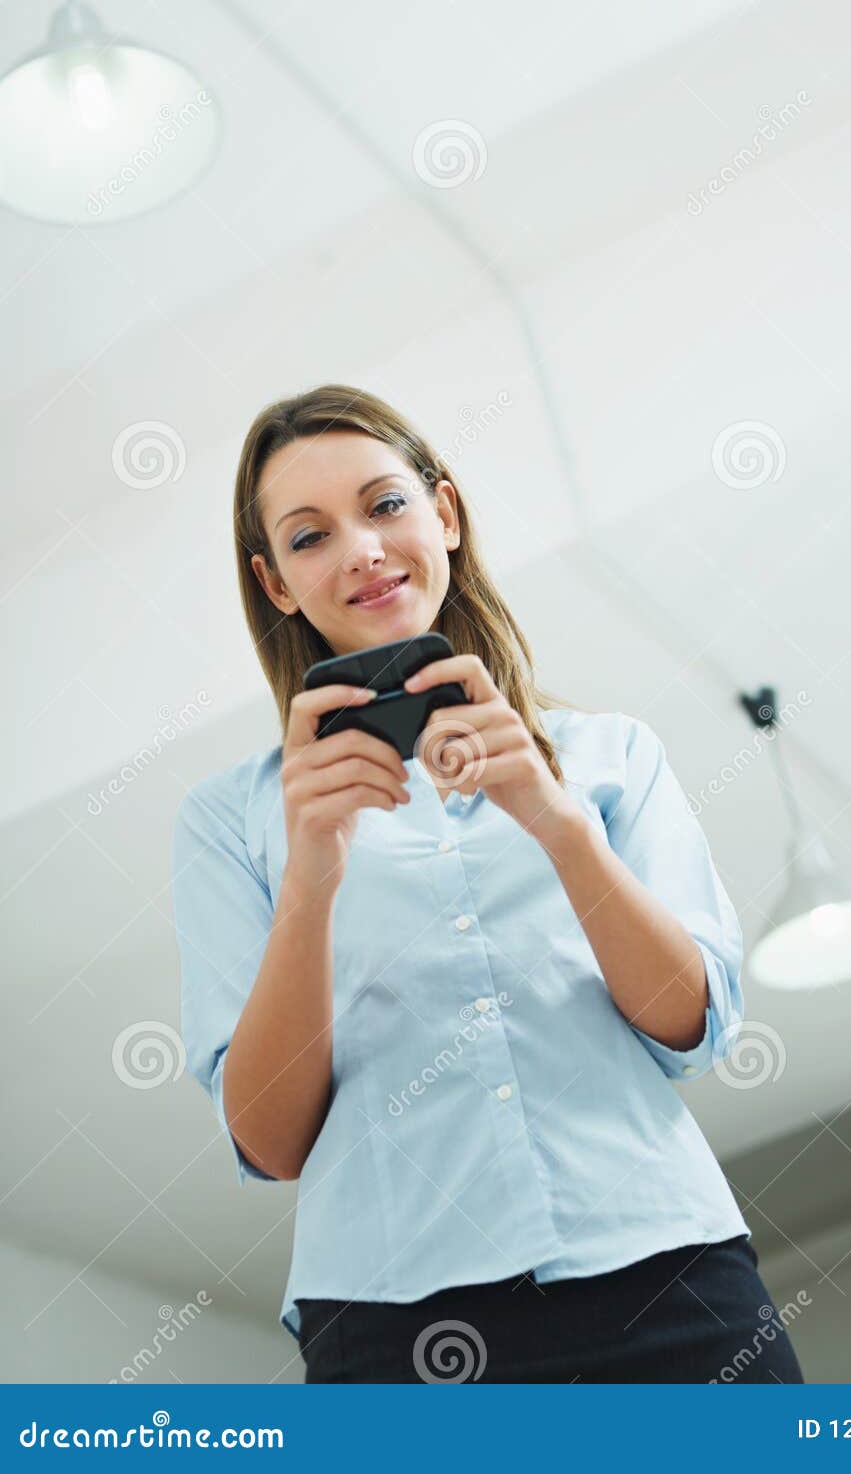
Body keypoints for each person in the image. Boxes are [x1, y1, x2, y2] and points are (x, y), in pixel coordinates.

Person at [171, 382, 804, 1384]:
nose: (363, 550)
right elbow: (269, 1138)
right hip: (393, 1323)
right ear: (277, 582)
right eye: (309, 536)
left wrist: (558, 824)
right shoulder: (230, 820)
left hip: (668, 1278)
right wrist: (313, 876)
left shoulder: (610, 754)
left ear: (446, 515)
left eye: (385, 506)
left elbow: (692, 1024)